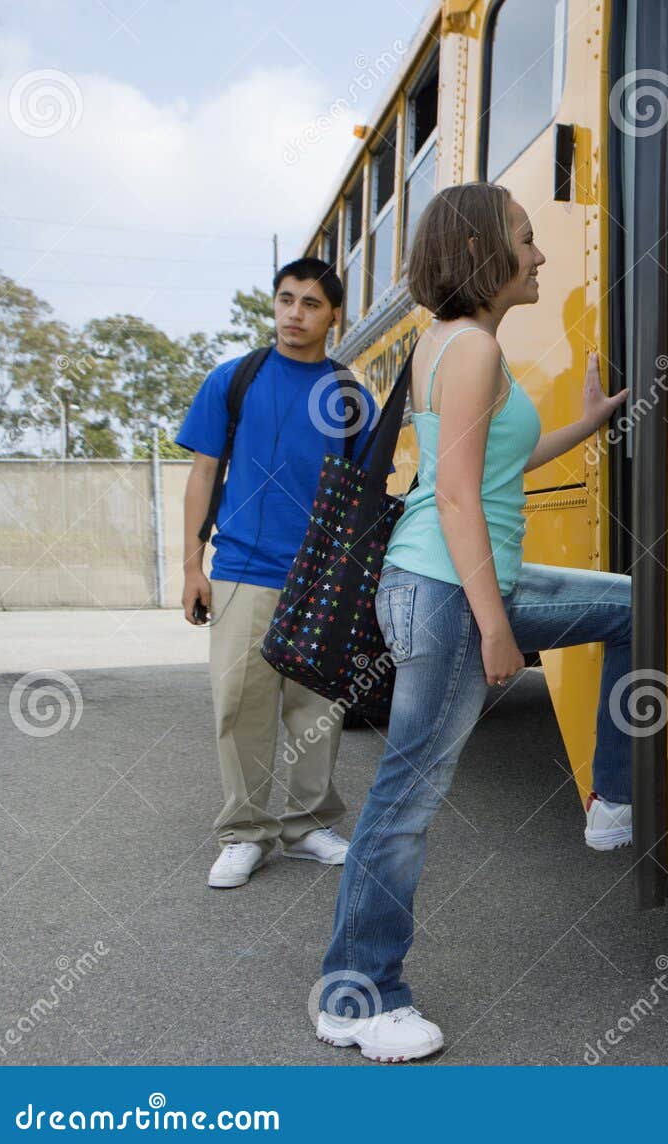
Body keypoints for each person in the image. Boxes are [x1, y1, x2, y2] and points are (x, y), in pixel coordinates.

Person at [315, 182, 632, 1063]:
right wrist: (498, 627)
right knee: (406, 799)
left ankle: (612, 800)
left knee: (636, 608)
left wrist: (588, 424)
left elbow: (495, 462)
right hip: (449, 588)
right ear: (484, 253)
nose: (540, 255)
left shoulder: (454, 345)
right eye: (527, 241)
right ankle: (359, 993)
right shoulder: (472, 351)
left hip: (462, 578)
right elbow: (452, 493)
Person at [178, 258, 377, 889]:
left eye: (311, 304)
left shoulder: (349, 395)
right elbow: (203, 474)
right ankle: (245, 833)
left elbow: (365, 494)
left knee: (316, 709)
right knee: (240, 707)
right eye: (286, 300)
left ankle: (307, 824)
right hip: (241, 570)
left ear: (332, 315)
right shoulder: (233, 381)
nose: (295, 313)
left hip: (321, 578)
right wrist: (192, 564)